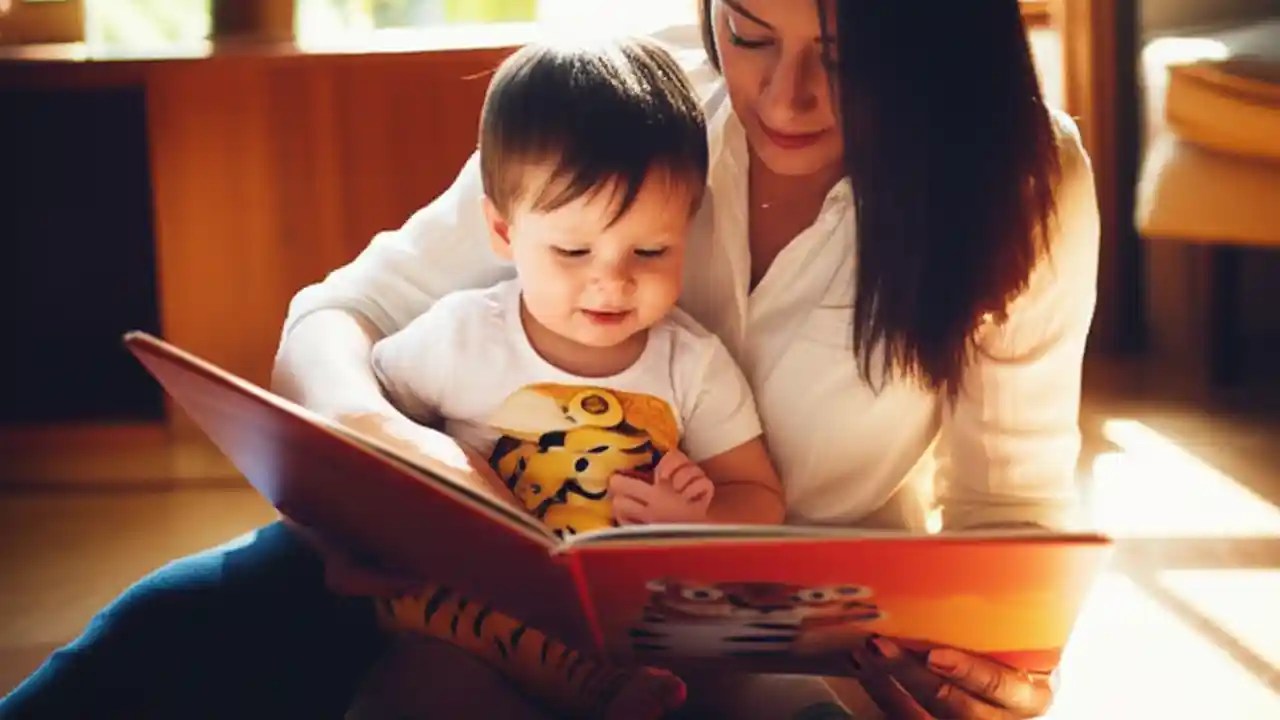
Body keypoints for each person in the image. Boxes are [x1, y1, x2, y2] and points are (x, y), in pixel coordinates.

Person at [0, 1, 1099, 718]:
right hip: (465, 569)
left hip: (770, 642)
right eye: (750, 34)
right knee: (148, 650)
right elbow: (339, 315)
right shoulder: (630, 89)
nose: (781, 96)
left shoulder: (1018, 180)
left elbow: (1014, 511)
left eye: (843, 57)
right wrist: (386, 444)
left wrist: (987, 677)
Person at [362, 35, 787, 719]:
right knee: (419, 683)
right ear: (503, 233)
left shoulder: (691, 361)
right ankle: (584, 684)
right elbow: (359, 431)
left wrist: (699, 516)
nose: (612, 281)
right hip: (479, 621)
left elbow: (761, 496)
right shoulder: (461, 337)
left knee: (768, 674)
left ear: (689, 224)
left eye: (651, 250)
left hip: (642, 622)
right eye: (572, 249)